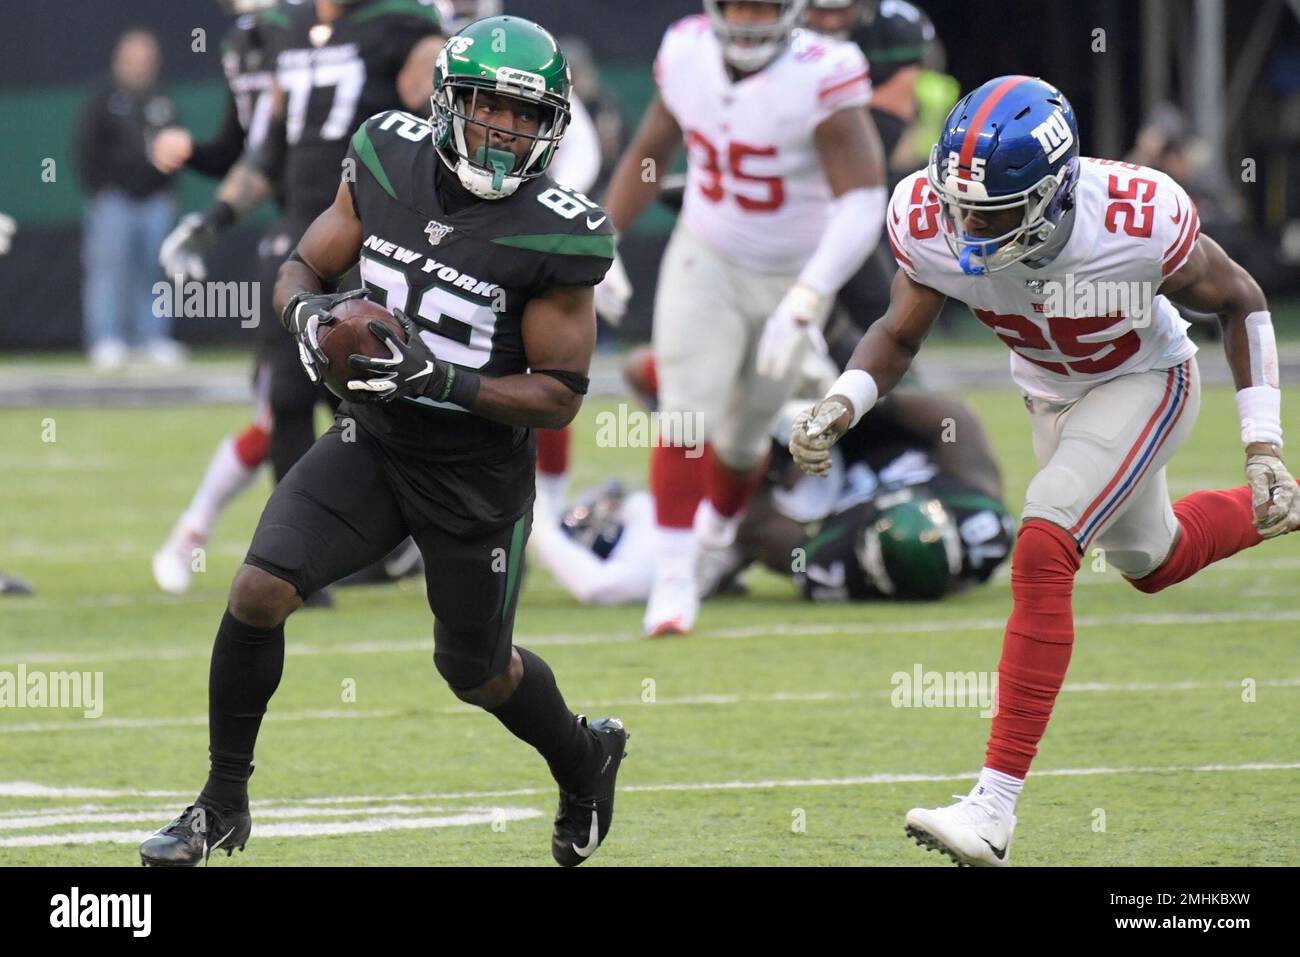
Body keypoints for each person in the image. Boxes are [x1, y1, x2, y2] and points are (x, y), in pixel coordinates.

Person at [139, 16, 627, 868]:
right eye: (487, 107)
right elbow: (304, 263)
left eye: (525, 115)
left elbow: (558, 397)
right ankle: (219, 804)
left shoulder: (556, 230)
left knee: (477, 672)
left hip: (475, 478)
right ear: (445, 102)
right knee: (257, 591)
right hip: (376, 438)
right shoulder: (386, 156)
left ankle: (585, 758)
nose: (506, 130)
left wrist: (441, 380)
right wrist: (307, 317)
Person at [790, 75, 1300, 865]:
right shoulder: (930, 216)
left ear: (1054, 194)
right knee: (1151, 559)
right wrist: (842, 401)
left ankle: (992, 810)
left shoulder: (1135, 217)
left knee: (1044, 540)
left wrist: (1263, 442)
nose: (965, 224)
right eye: (957, 202)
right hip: (1048, 395)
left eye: (991, 210)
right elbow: (898, 332)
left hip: (1143, 378)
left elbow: (1241, 299)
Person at [602, 0, 888, 635]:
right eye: (738, 5)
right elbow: (650, 151)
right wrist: (604, 238)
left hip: (792, 272)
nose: (749, 19)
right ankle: (675, 578)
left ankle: (718, 535)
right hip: (707, 256)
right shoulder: (685, 51)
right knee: (685, 412)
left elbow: (864, 200)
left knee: (742, 440)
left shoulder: (825, 69)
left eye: (763, 6)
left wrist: (810, 296)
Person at [150, 0, 444, 596]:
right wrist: (213, 218)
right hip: (303, 239)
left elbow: (441, 132)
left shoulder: (403, 23)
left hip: (373, 238)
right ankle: (299, 557)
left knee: (375, 397)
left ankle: (410, 539)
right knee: (286, 397)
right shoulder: (296, 36)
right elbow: (268, 150)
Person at [75, 29, 185, 370]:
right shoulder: (102, 99)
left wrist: (168, 192)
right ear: (119, 61)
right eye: (134, 59)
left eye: (146, 60)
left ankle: (151, 339)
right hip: (115, 201)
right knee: (109, 271)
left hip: (155, 201)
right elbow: (85, 149)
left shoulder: (162, 100)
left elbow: (176, 147)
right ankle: (107, 338)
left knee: (154, 270)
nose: (140, 66)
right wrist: (101, 188)